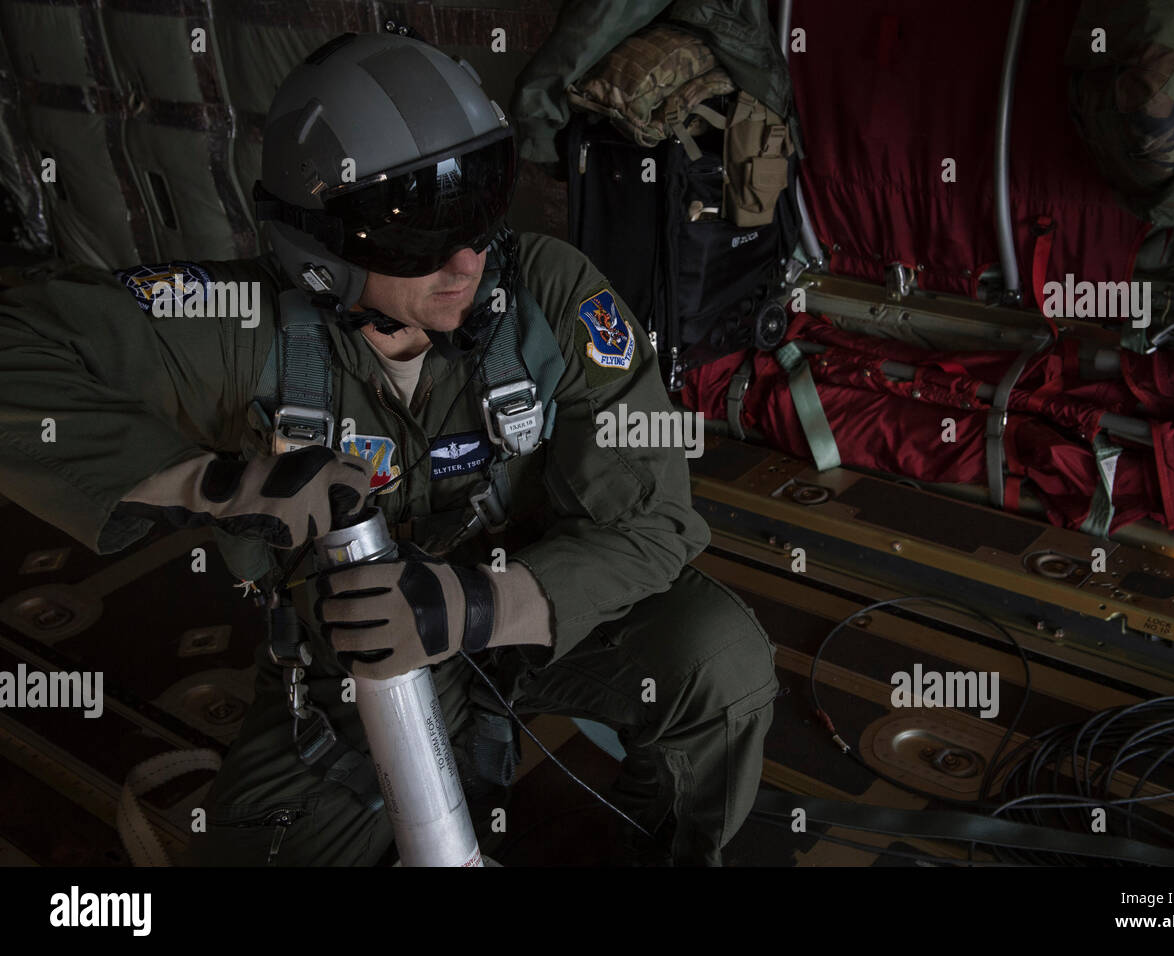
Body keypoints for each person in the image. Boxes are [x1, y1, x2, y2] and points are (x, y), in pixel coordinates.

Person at [0, 30, 779, 866]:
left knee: (719, 659)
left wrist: (477, 605)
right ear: (317, 243)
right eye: (415, 235)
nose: (465, 261)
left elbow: (657, 524)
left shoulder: (551, 296)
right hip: (359, 668)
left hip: (545, 614)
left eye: (479, 208)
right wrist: (218, 483)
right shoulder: (241, 325)